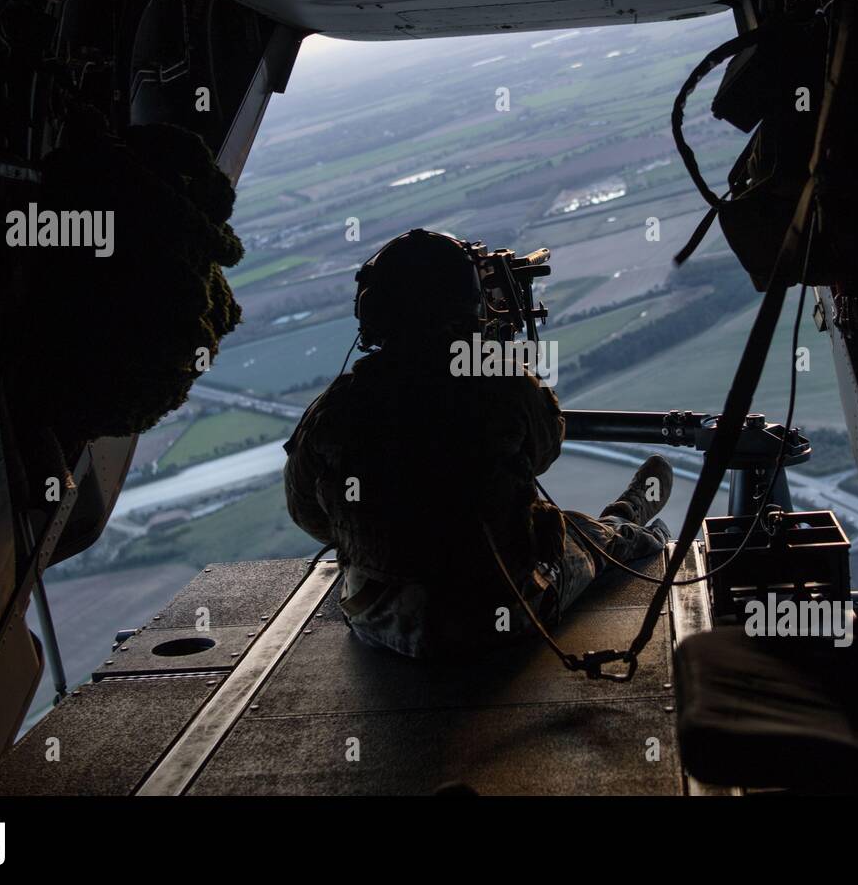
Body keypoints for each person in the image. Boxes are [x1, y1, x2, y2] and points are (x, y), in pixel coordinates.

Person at [284, 229, 673, 659]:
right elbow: (543, 453)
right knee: (581, 535)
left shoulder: (336, 406)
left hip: (380, 620)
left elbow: (309, 515)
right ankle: (631, 525)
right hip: (499, 616)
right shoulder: (499, 379)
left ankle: (626, 516)